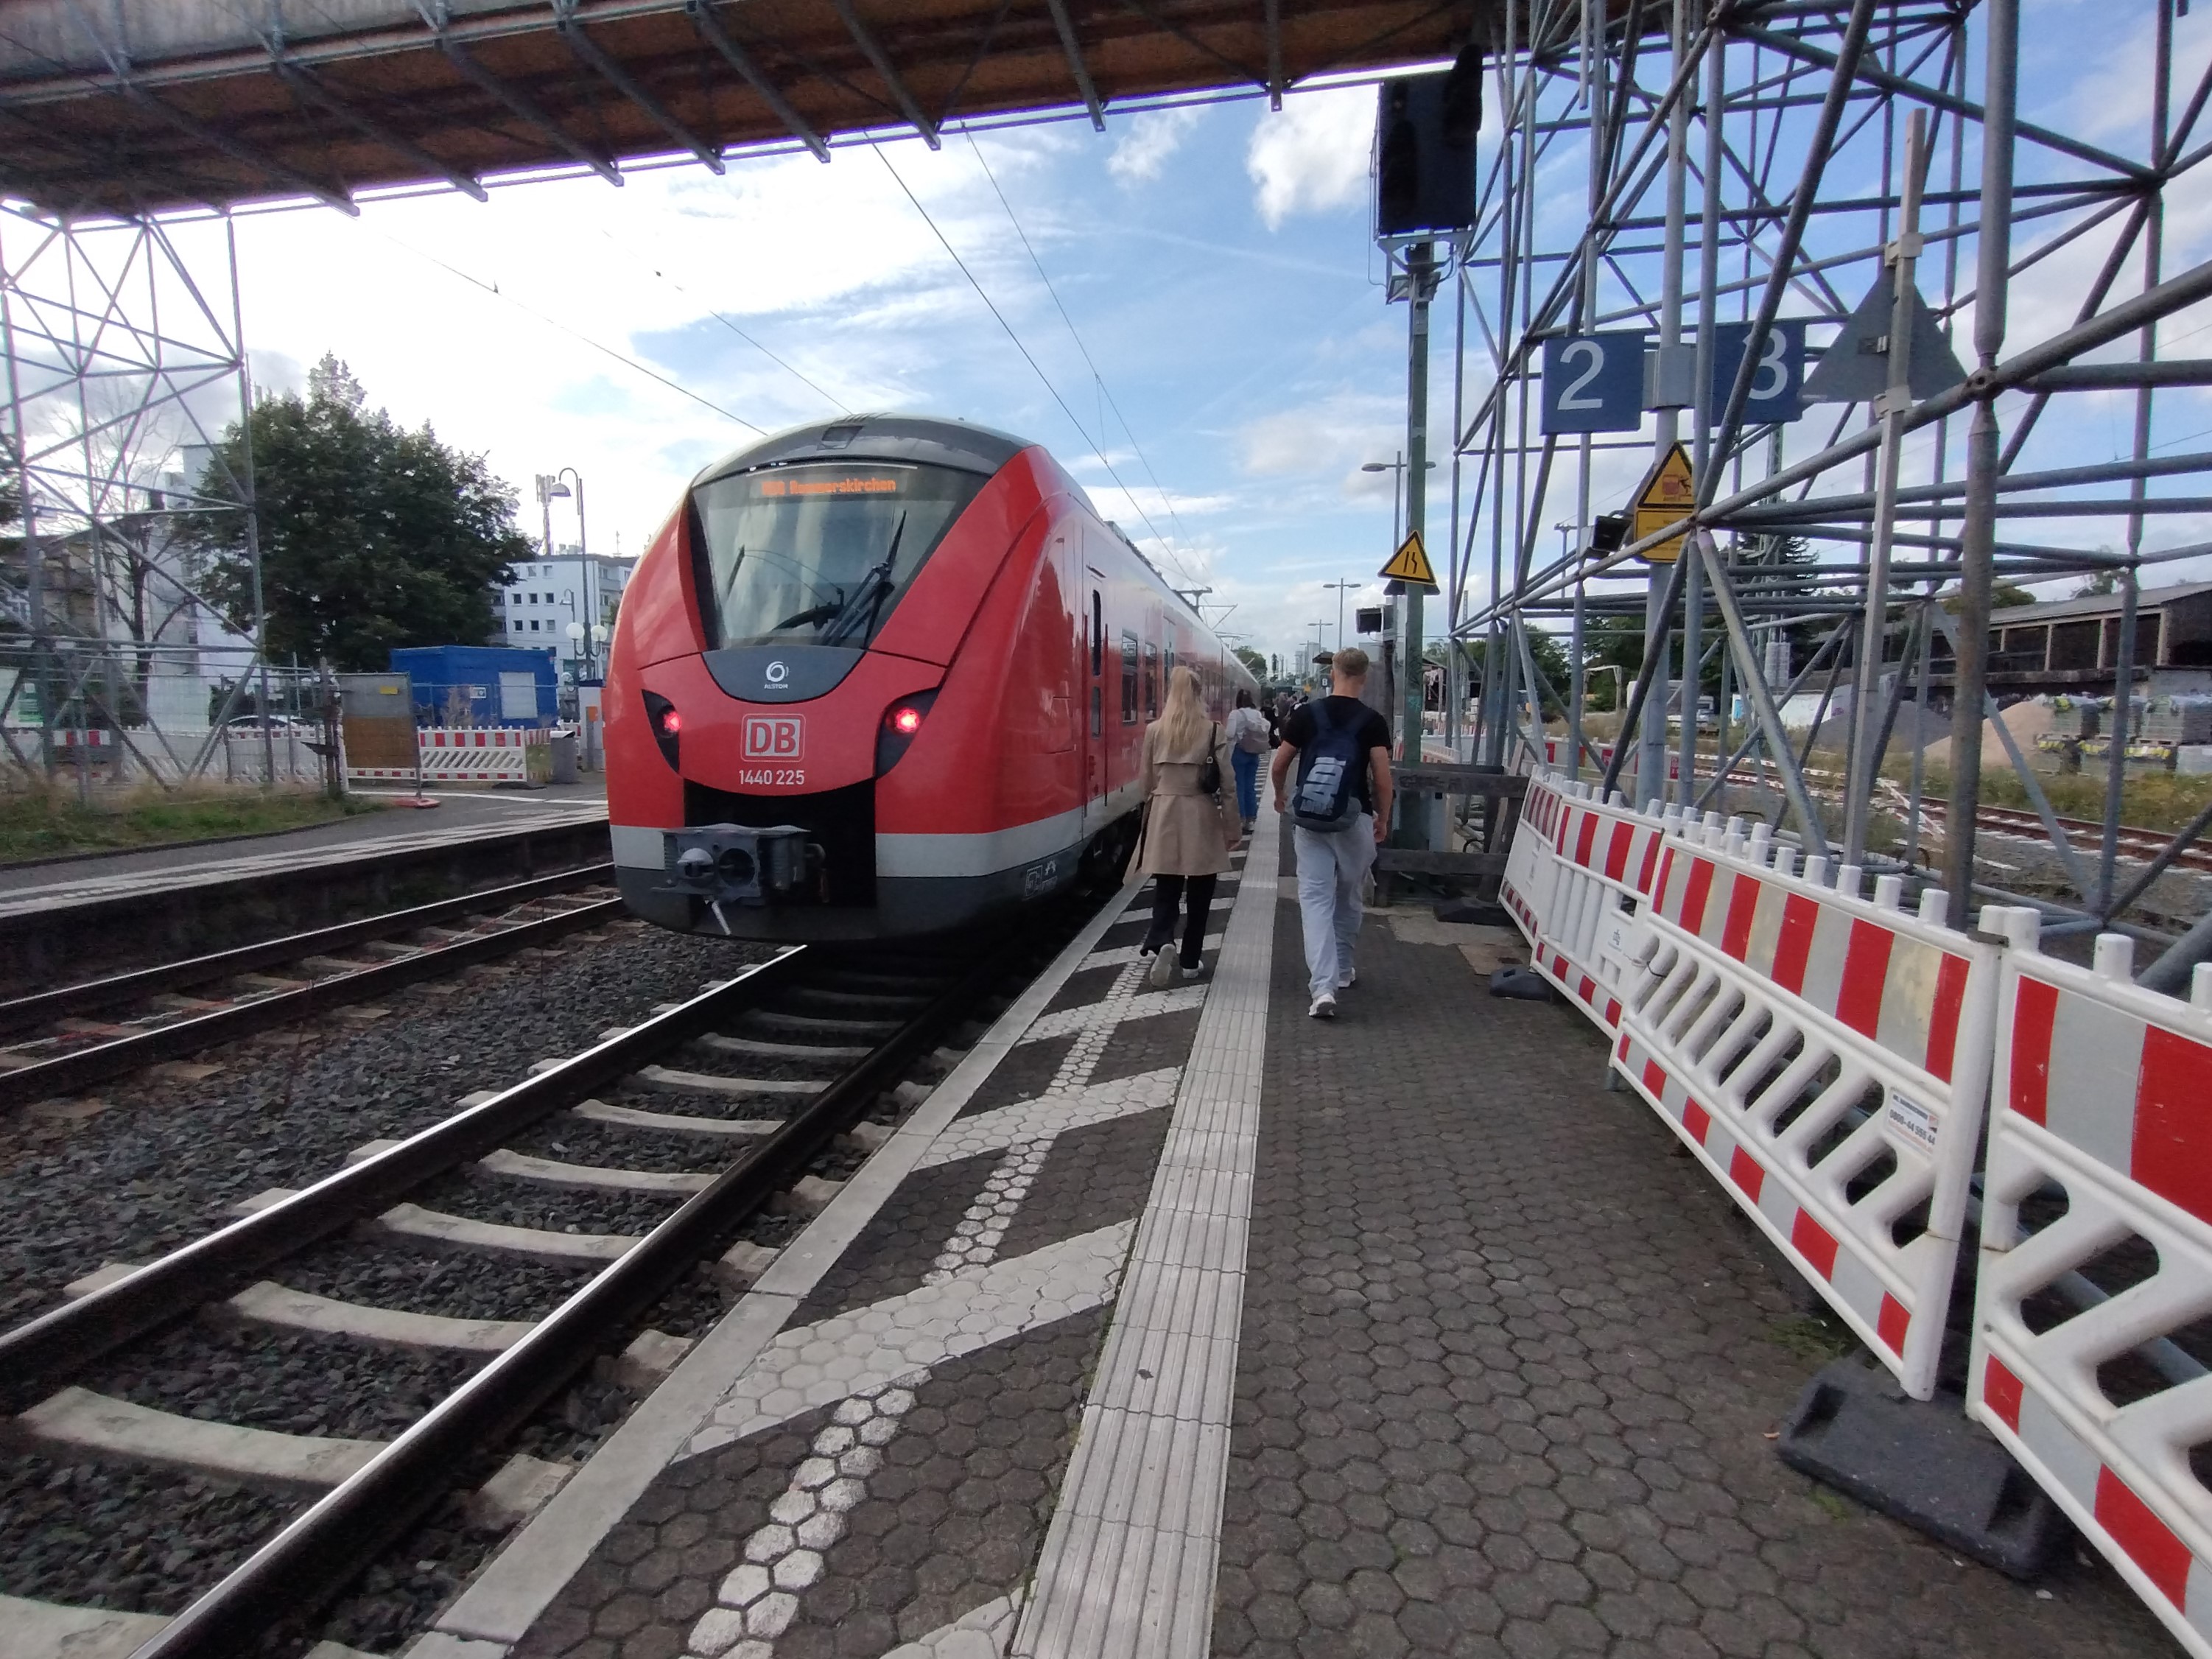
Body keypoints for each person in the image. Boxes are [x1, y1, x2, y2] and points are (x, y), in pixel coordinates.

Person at [1269, 646, 1394, 1019]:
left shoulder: (1306, 714)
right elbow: (1382, 779)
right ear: (1364, 677)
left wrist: (1280, 794)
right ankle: (1342, 970)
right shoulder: (1372, 720)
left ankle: (1322, 988)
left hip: (1311, 819)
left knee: (1315, 901)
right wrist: (1383, 818)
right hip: (1355, 818)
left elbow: (1280, 763)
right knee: (1349, 897)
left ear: (1333, 673)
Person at [1134, 664, 1241, 988]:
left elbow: (1145, 783)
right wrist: (1232, 828)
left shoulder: (1154, 730)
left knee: (1166, 887)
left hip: (1164, 812)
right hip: (1200, 814)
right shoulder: (1212, 731)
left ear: (1170, 693)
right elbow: (1228, 784)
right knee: (1200, 892)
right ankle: (1191, 961)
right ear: (1199, 694)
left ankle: (1163, 938)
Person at [1224, 689, 1269, 833]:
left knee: (1239, 786)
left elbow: (1230, 734)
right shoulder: (1256, 714)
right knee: (1250, 786)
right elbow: (1266, 726)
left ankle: (1241, 818)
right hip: (1254, 753)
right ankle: (1251, 819)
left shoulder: (1236, 714)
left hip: (1239, 752)